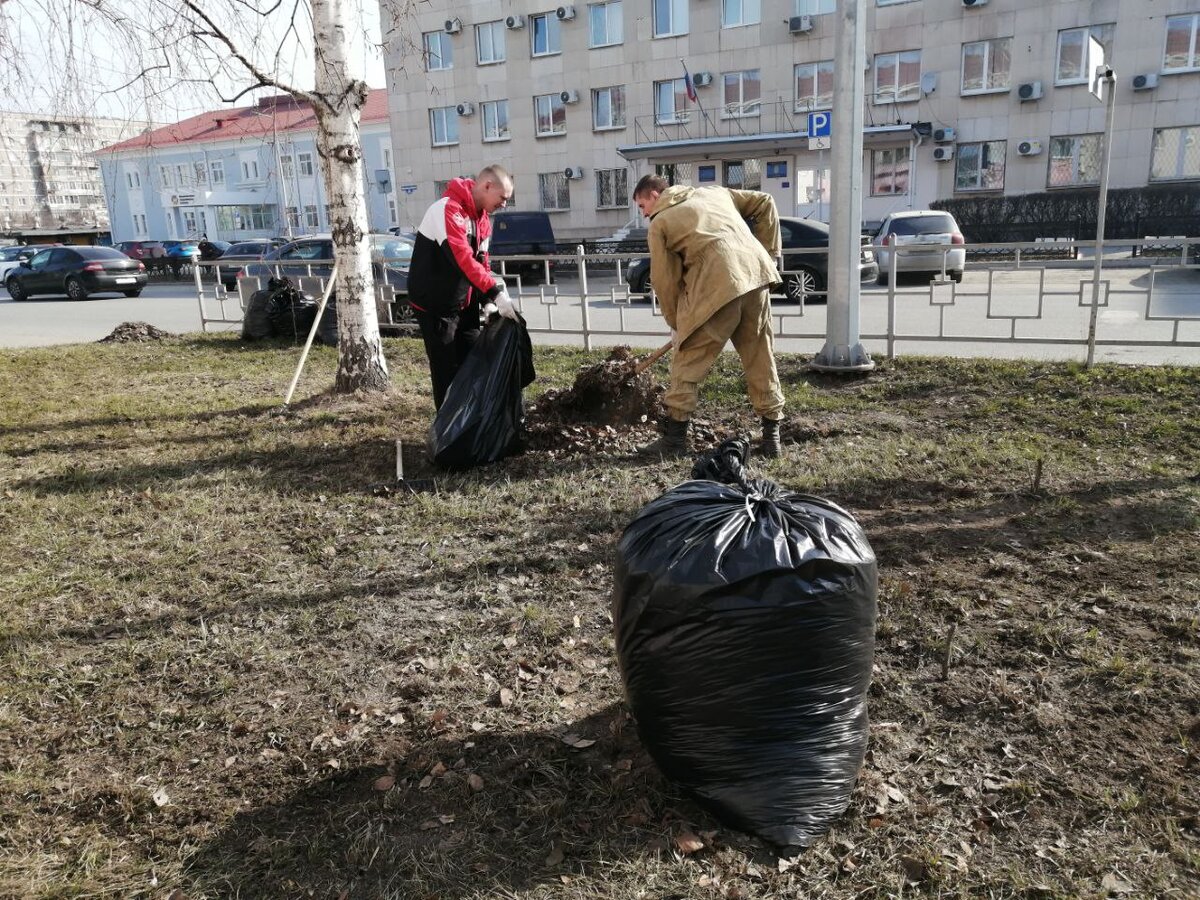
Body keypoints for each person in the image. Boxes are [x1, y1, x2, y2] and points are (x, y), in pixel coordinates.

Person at [633, 174, 786, 458]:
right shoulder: (715, 193)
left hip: (715, 288)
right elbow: (765, 201)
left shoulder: (660, 224)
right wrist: (768, 252)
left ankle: (675, 442)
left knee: (687, 362)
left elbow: (664, 281)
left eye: (642, 206)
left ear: (655, 196)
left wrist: (676, 324)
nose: (643, 214)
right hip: (756, 279)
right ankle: (771, 438)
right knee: (761, 356)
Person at [408, 165, 519, 410]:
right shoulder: (447, 210)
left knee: (474, 363)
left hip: (464, 304)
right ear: (487, 186)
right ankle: (447, 435)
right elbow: (462, 259)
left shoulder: (483, 221)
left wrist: (487, 302)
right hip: (435, 306)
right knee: (446, 371)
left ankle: (468, 425)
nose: (504, 205)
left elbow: (482, 262)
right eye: (502, 198)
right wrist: (496, 293)